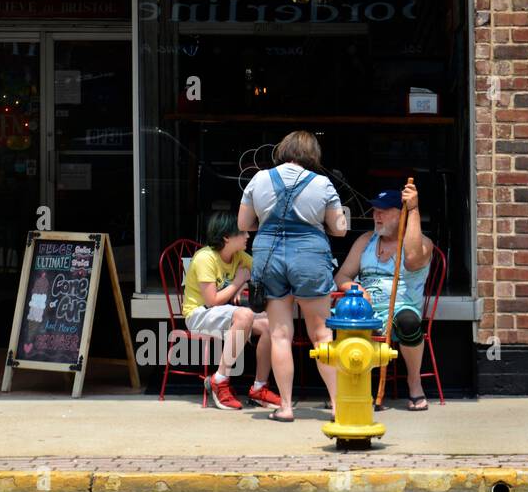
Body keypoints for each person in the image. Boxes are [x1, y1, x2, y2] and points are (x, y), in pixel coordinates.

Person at [238, 130, 349, 422]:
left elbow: (243, 223)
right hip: (310, 256)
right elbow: (339, 229)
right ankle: (339, 405)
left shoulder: (259, 179)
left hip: (268, 255)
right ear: (312, 155)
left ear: (283, 150)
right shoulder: (323, 183)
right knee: (321, 333)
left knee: (279, 334)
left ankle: (286, 407)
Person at [333, 183, 433, 410]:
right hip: (367, 309)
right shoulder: (365, 240)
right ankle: (356, 387)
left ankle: (414, 383)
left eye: (383, 211)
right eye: (374, 210)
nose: (376, 216)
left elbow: (413, 257)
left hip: (401, 308)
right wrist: (356, 290)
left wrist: (414, 209)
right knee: (343, 321)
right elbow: (343, 275)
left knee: (409, 321)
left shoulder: (422, 244)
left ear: (402, 214)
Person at [181, 211, 282, 410]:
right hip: (199, 314)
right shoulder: (205, 258)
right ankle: (219, 380)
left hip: (223, 314)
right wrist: (237, 282)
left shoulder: (238, 256)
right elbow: (213, 300)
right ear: (226, 237)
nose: (248, 236)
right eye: (242, 233)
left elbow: (262, 275)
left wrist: (244, 285)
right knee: (244, 314)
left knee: (272, 325)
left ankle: (259, 388)